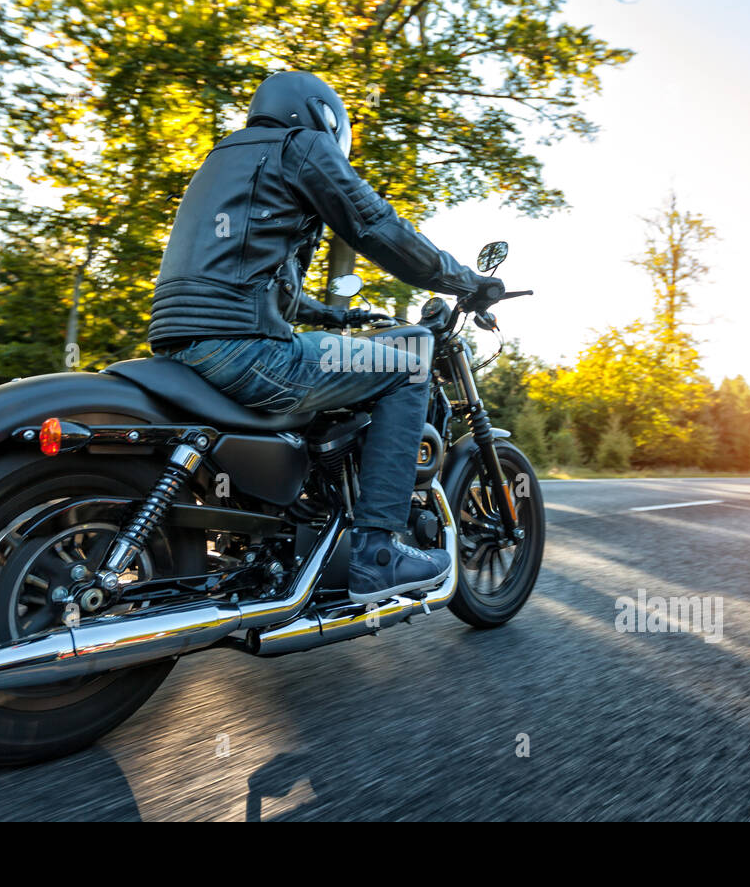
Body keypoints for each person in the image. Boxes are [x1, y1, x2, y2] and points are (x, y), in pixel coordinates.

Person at [147, 71, 502, 603]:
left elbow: (260, 282)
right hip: (244, 348)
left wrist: (340, 319)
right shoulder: (301, 146)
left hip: (184, 343)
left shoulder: (220, 163)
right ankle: (377, 553)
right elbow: (378, 228)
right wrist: (463, 280)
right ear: (323, 116)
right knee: (409, 364)